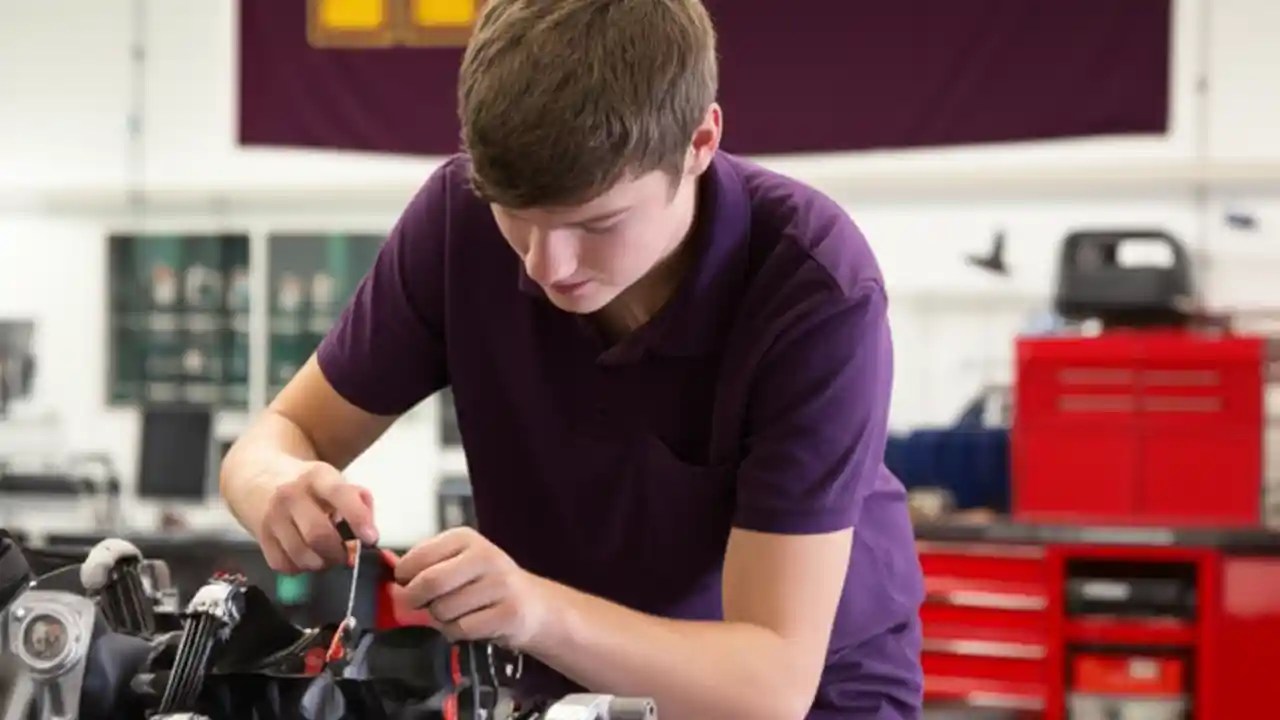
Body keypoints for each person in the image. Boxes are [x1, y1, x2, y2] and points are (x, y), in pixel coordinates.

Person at [219, 1, 925, 717]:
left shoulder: (815, 289)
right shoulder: (457, 223)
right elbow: (276, 435)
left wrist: (534, 612)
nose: (546, 264)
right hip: (572, 675)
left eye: (597, 223)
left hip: (808, 691)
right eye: (516, 216)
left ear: (700, 142)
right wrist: (276, 484)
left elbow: (767, 685)